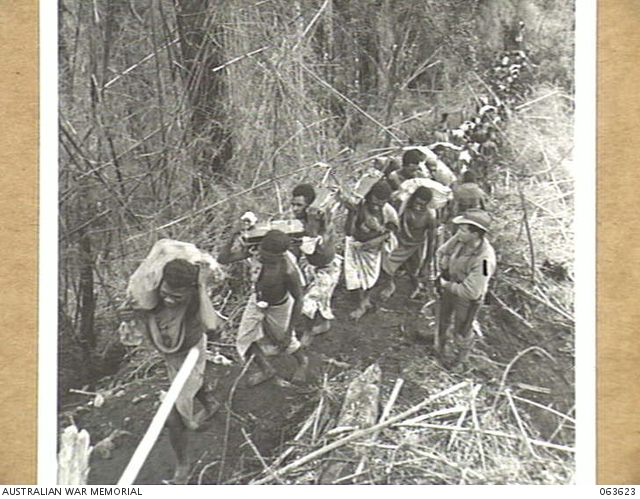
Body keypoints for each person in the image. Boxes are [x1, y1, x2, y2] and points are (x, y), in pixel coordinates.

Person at [119, 256, 225, 485]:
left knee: (174, 415)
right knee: (190, 387)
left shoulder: (196, 298)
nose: (169, 299)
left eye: (177, 297)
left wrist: (201, 286)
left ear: (189, 290)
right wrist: (128, 314)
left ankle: (183, 466)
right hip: (170, 352)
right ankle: (210, 404)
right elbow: (137, 313)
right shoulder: (153, 295)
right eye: (166, 293)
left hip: (192, 354)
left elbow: (212, 326)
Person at [218, 229, 309, 386]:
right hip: (257, 301)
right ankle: (266, 369)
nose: (263, 257)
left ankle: (302, 362)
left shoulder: (288, 271)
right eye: (262, 252)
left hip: (280, 306)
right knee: (245, 338)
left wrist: (289, 330)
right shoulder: (256, 254)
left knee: (285, 341)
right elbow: (223, 259)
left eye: (269, 257)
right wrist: (232, 236)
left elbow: (299, 299)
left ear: (280, 255)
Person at [435, 209, 496, 372]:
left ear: (475, 234)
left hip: (466, 299)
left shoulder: (485, 260)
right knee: (443, 319)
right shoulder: (461, 239)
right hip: (450, 284)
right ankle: (440, 348)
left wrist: (446, 285)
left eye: (463, 230)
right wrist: (444, 263)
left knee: (462, 330)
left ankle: (460, 360)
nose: (458, 232)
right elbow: (442, 251)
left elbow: (472, 292)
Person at [289, 184, 341, 346]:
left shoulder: (324, 225)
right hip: (310, 267)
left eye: (299, 205)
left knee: (308, 304)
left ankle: (308, 332)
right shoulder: (298, 222)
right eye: (293, 204)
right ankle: (324, 324)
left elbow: (313, 247)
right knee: (318, 300)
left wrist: (312, 221)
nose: (294, 208)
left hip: (327, 269)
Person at [343, 180, 399, 320]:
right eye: (374, 202)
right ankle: (361, 304)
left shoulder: (388, 211)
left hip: (372, 250)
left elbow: (390, 231)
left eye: (380, 203)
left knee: (369, 279)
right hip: (354, 246)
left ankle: (365, 301)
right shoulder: (359, 206)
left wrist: (375, 240)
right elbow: (348, 231)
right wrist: (352, 213)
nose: (376, 206)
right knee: (353, 278)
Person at [379, 186, 437, 300]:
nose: (418, 206)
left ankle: (417, 288)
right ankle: (389, 285)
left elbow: (431, 240)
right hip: (400, 242)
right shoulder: (403, 208)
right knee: (388, 262)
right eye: (417, 202)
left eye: (422, 205)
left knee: (414, 269)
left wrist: (427, 261)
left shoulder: (429, 216)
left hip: (416, 244)